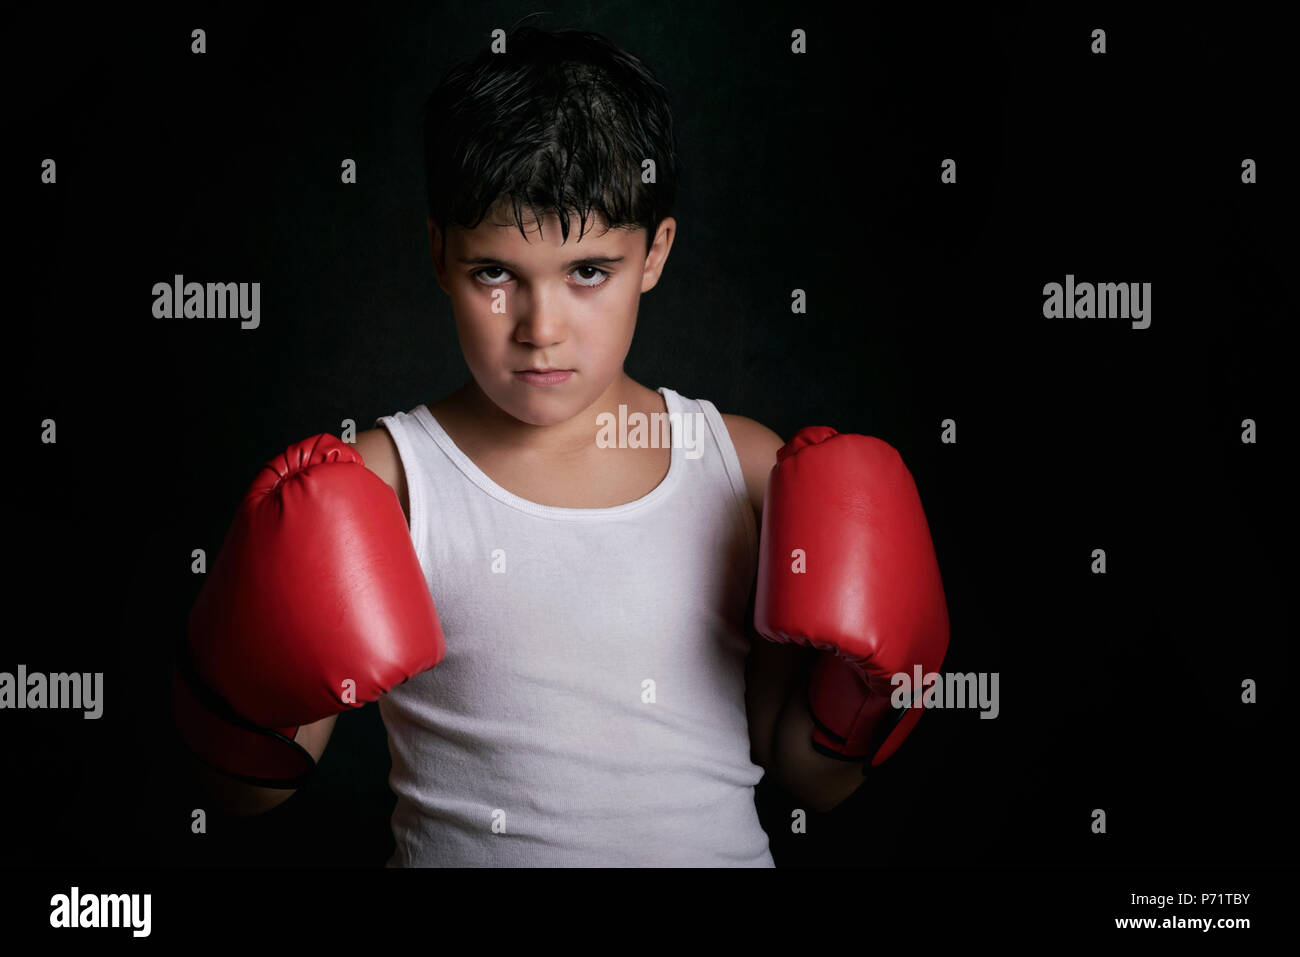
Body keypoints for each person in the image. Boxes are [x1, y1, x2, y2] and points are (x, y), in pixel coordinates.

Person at [176, 26, 948, 867]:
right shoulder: (378, 483)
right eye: (495, 274)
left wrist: (865, 698)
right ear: (439, 255)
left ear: (655, 252)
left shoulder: (746, 471)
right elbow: (244, 793)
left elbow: (806, 777)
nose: (541, 330)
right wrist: (246, 690)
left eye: (588, 272)